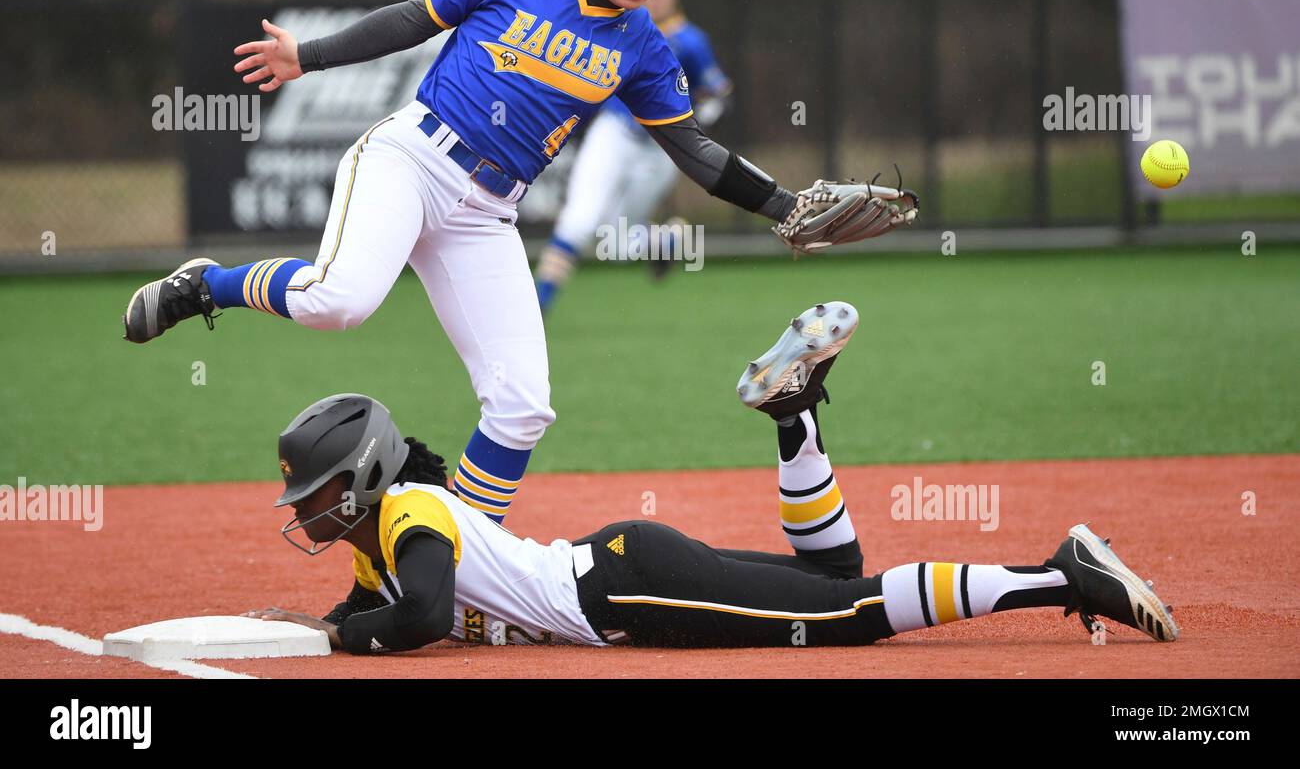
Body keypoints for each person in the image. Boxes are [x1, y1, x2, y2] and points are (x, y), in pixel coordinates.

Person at [119, 0, 860, 526]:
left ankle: (463, 559)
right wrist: (306, 57)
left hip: (486, 213)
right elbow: (414, 18)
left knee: (522, 406)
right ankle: (205, 285)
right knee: (338, 301)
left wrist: (783, 206)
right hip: (411, 159)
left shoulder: (643, 46)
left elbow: (693, 149)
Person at [245, 302, 1180, 652]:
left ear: (365, 475)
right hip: (620, 567)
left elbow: (418, 619)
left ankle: (1064, 576)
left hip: (630, 589)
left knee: (848, 619)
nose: (310, 512)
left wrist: (334, 646)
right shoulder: (382, 540)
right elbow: (367, 608)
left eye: (321, 493)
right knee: (831, 576)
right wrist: (307, 628)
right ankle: (794, 420)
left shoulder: (410, 514)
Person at [534, 0, 733, 311]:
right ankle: (537, 307)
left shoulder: (690, 41)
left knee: (619, 243)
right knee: (580, 220)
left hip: (661, 149)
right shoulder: (621, 26)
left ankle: (665, 240)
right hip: (614, 132)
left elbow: (719, 91)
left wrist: (706, 110)